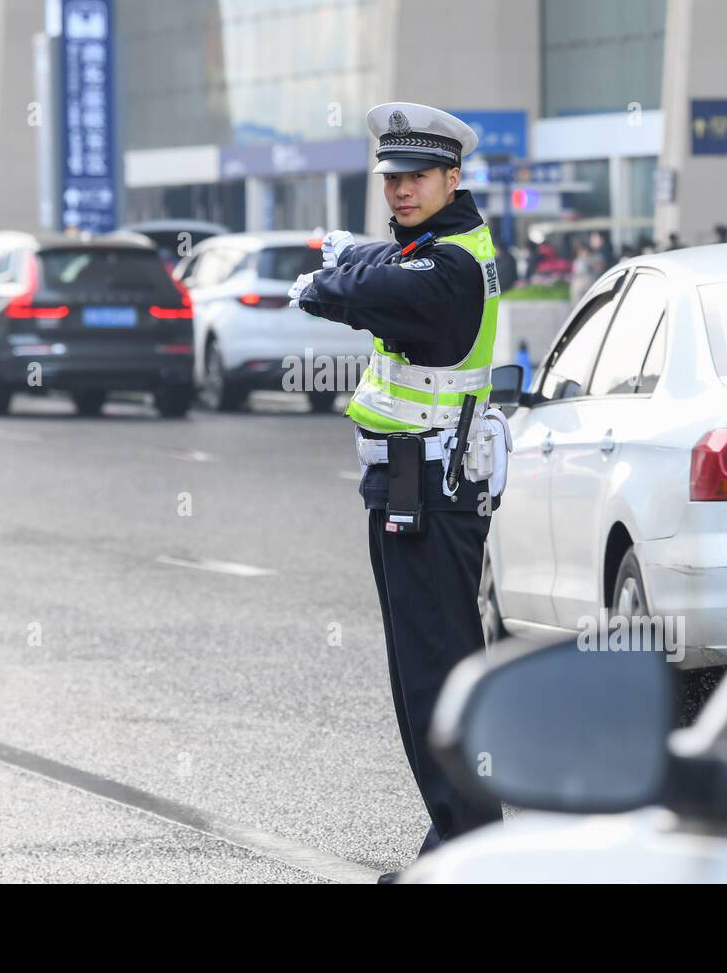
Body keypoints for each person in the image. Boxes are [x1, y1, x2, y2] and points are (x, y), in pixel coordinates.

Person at [288, 103, 506, 883]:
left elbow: (337, 292)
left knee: (435, 672)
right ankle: (459, 839)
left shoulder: (444, 265)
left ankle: (470, 849)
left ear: (453, 177)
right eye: (392, 178)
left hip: (430, 483)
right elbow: (365, 276)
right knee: (423, 670)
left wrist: (335, 276)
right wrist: (352, 271)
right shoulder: (428, 248)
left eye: (417, 178)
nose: (402, 190)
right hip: (410, 479)